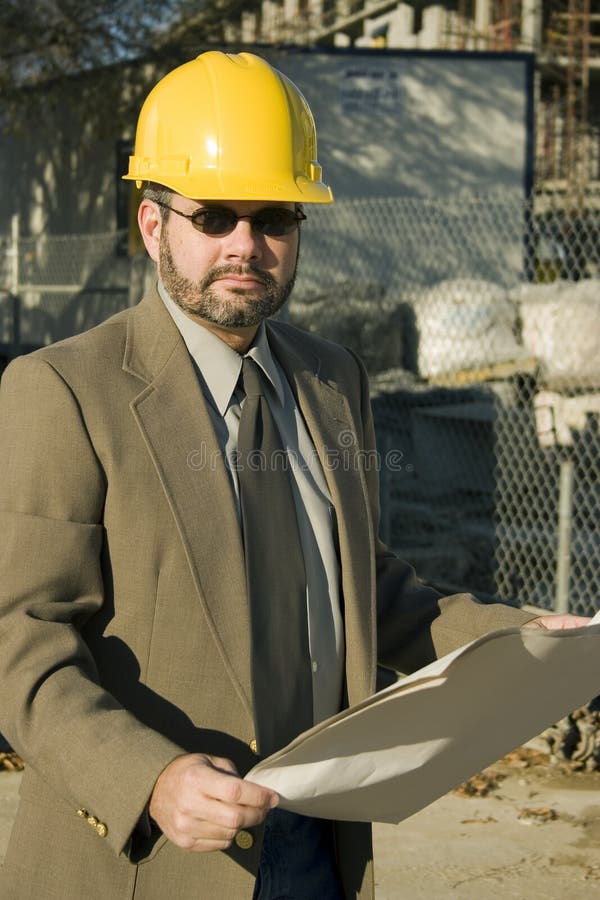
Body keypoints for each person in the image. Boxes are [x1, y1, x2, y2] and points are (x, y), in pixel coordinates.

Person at [0, 50, 589, 900]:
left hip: (316, 844)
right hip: (150, 862)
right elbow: (22, 643)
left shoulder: (332, 379)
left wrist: (528, 639)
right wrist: (152, 780)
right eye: (214, 216)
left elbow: (370, 594)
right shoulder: (61, 390)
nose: (246, 245)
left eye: (273, 216)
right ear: (153, 224)